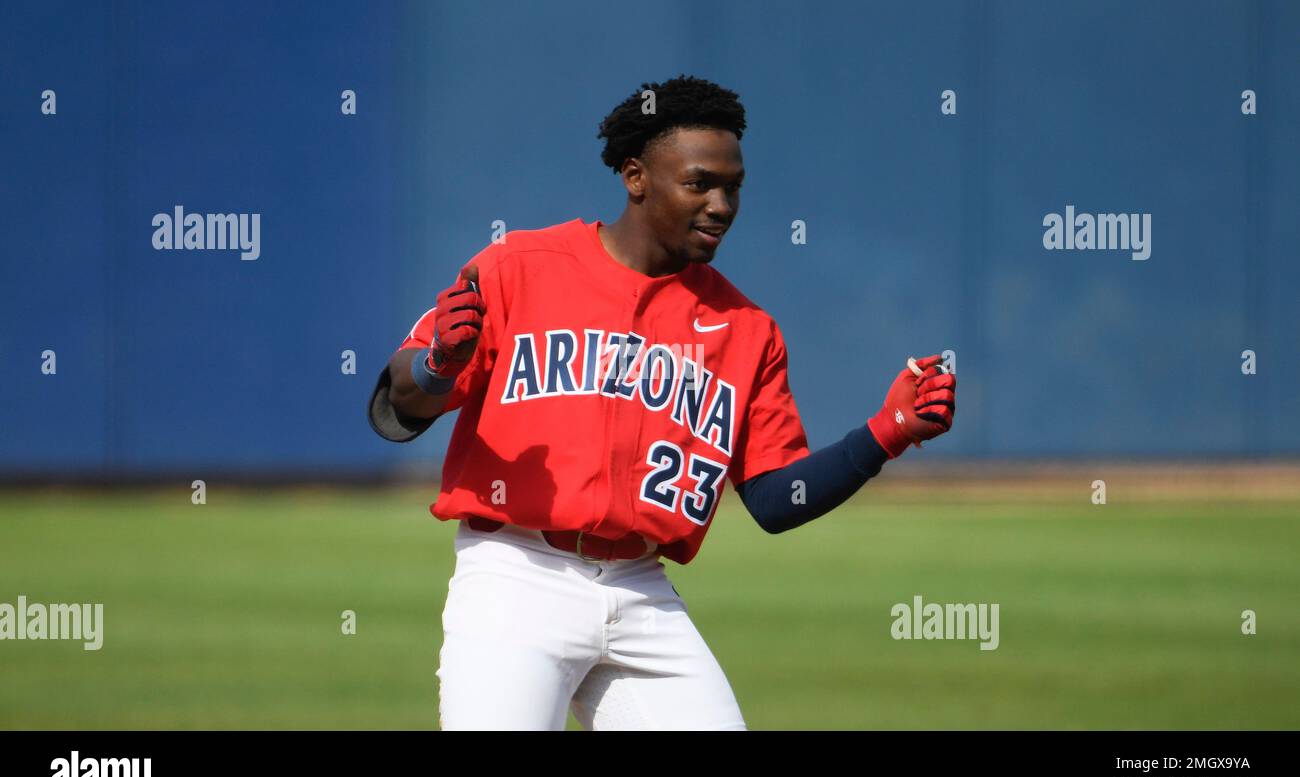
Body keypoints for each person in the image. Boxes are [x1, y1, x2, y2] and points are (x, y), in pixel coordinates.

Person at [367, 75, 956, 730]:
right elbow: (397, 409)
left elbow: (772, 499)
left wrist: (886, 432)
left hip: (641, 591)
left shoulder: (745, 327)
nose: (722, 204)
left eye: (733, 187)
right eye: (699, 182)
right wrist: (438, 364)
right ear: (636, 176)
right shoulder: (519, 267)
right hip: (515, 577)